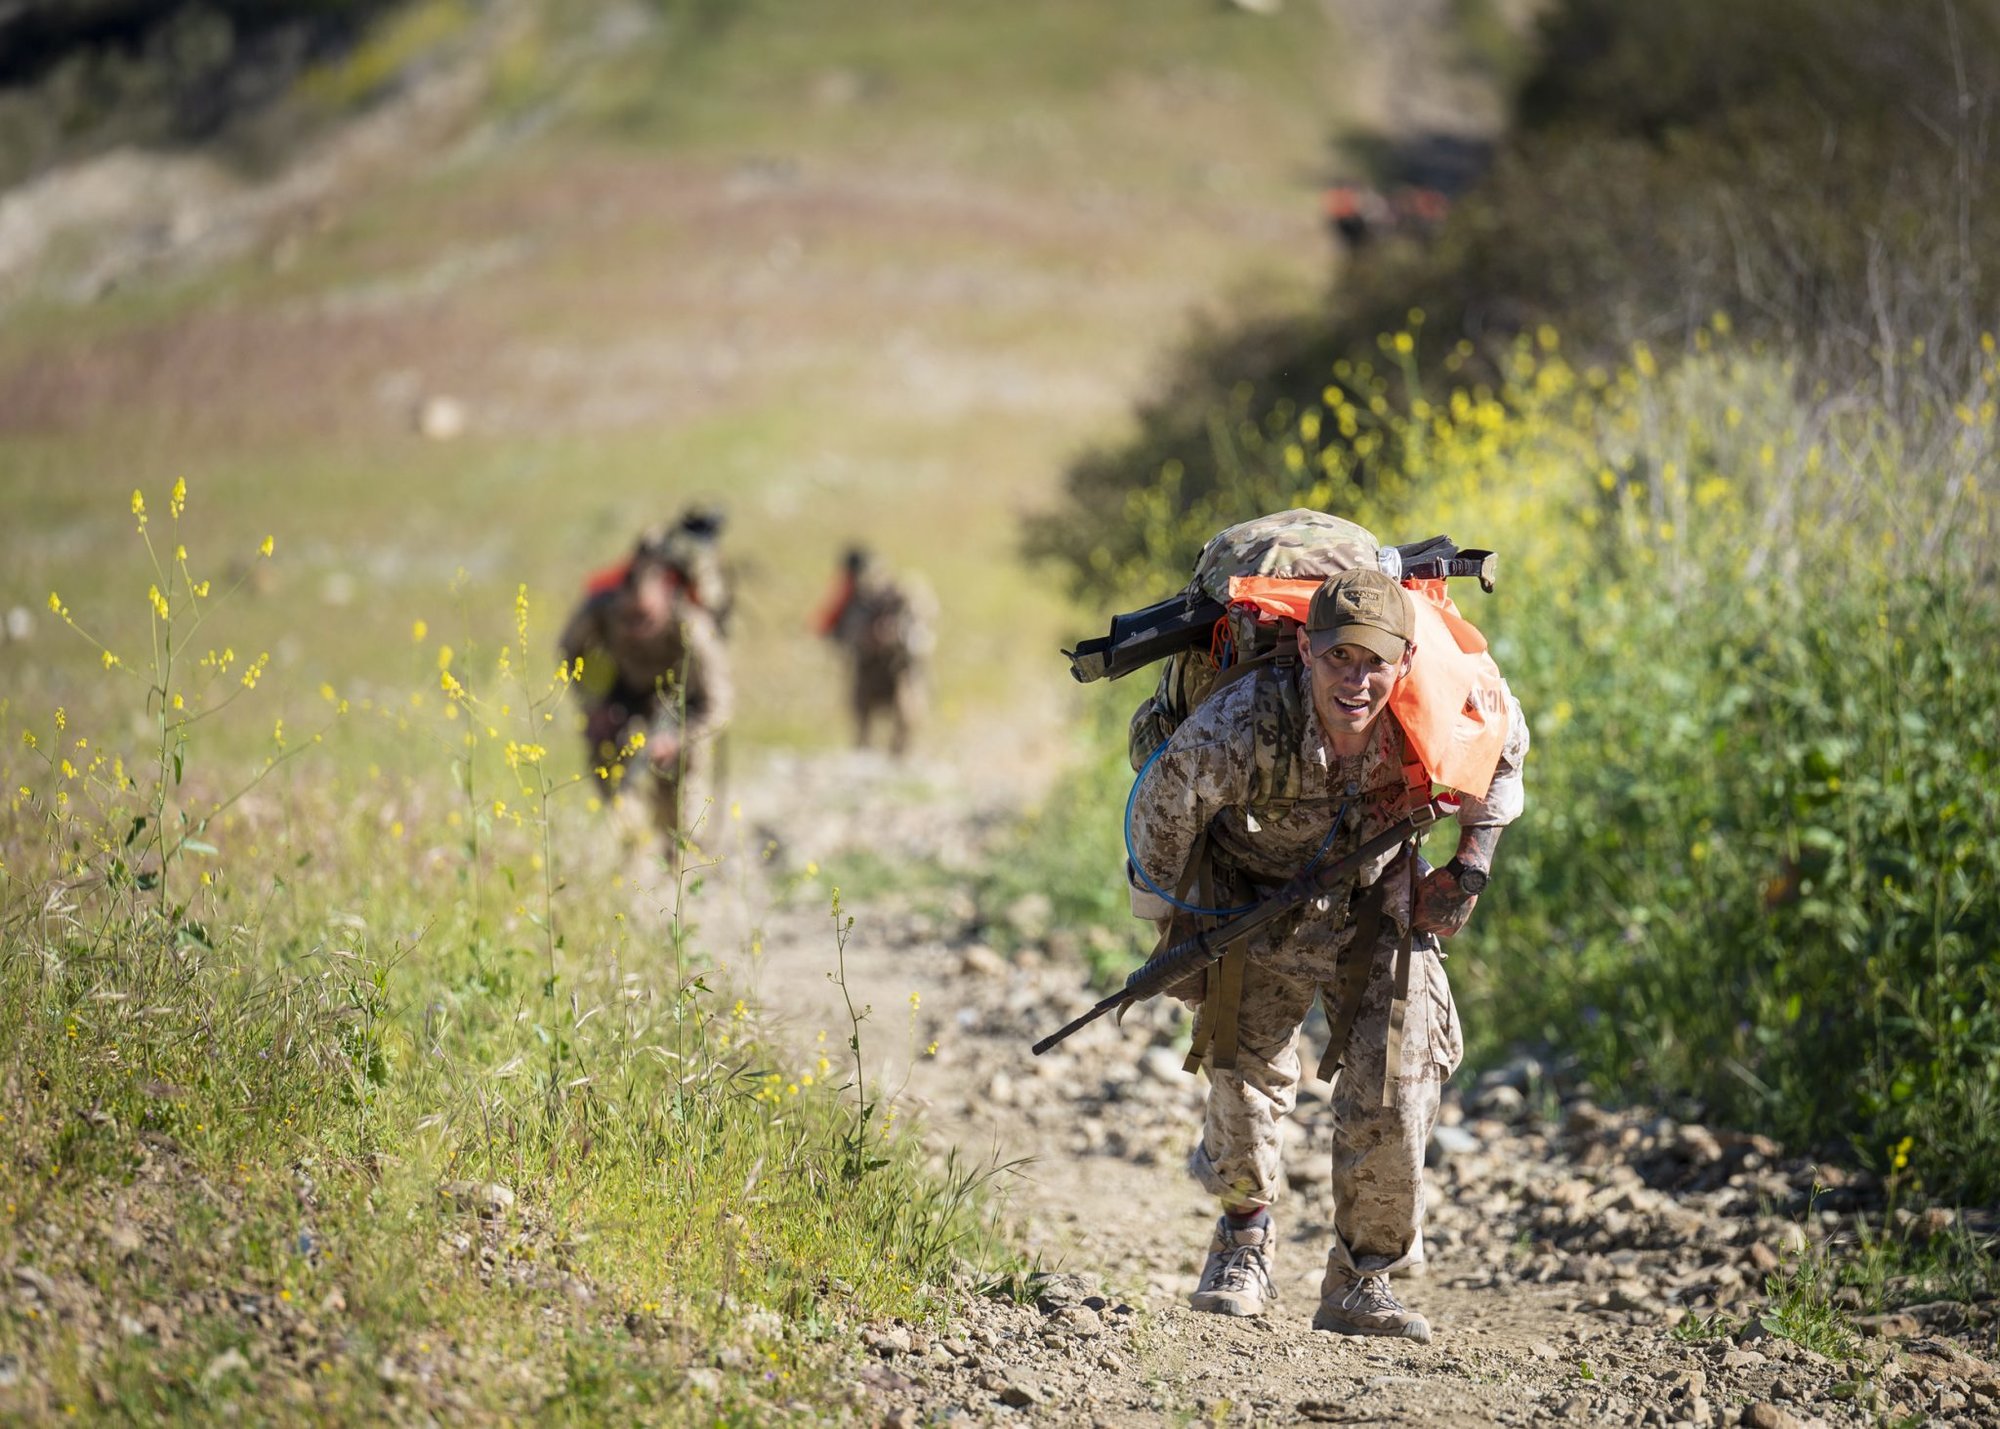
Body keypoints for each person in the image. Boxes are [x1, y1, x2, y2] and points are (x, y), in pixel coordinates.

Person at [1127, 567, 1528, 1342]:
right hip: (1257, 901)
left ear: (1404, 662)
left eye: (1374, 662)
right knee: (1241, 1072)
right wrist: (1173, 923)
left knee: (1401, 1078)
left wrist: (1469, 868)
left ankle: (1362, 1280)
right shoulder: (1242, 723)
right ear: (1307, 651)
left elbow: (1507, 748)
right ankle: (1242, 1240)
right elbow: (1158, 813)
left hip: (1377, 902)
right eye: (1339, 658)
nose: (1357, 679)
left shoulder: (1442, 706)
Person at [558, 536, 733, 867]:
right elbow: (568, 651)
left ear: (666, 601)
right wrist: (592, 705)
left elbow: (719, 705)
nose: (636, 629)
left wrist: (678, 740)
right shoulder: (598, 614)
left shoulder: (693, 627)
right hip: (625, 693)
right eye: (628, 619)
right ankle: (632, 847)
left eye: (646, 619)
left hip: (682, 705)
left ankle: (679, 859)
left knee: (680, 789)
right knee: (605, 762)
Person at [816, 546, 934, 756]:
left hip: (899, 666)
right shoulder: (859, 603)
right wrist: (869, 640)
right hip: (869, 666)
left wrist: (896, 638)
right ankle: (864, 755)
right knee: (862, 715)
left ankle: (898, 757)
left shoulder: (905, 599)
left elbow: (920, 638)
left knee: (906, 711)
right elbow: (841, 634)